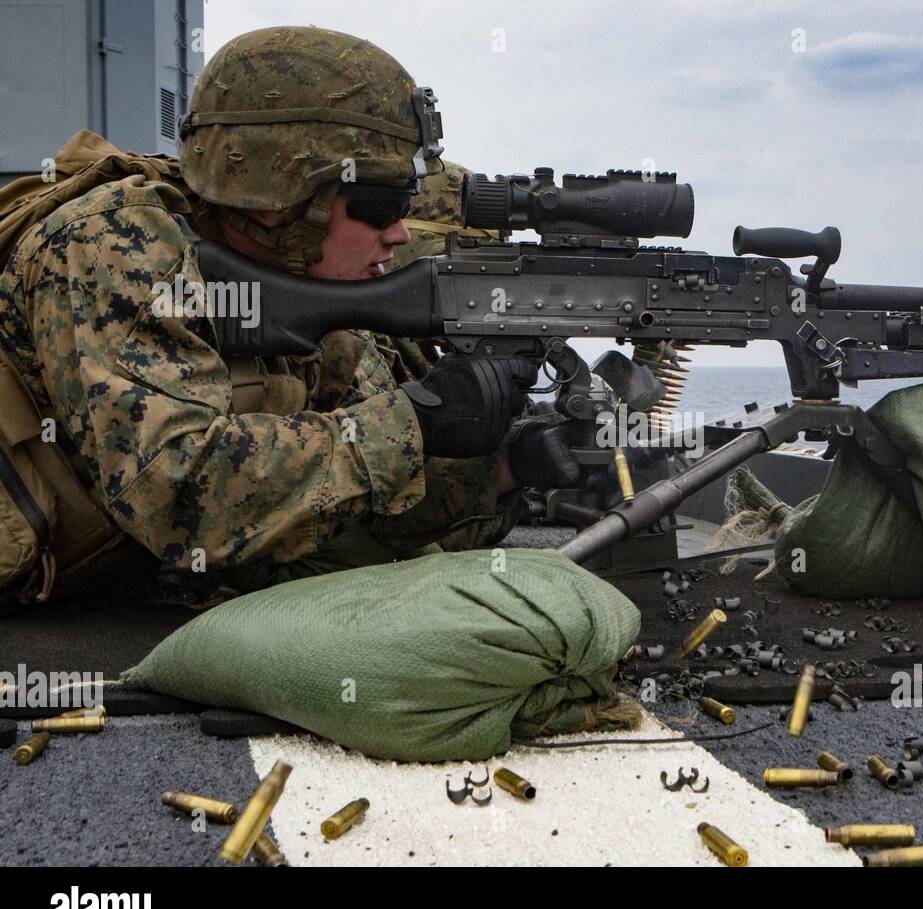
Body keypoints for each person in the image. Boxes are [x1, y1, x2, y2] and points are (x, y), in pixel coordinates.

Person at [0, 26, 569, 604]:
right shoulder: (111, 241)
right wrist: (416, 422)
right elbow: (182, 495)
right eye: (384, 204)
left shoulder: (304, 290)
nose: (400, 233)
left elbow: (343, 502)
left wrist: (511, 466)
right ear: (283, 195)